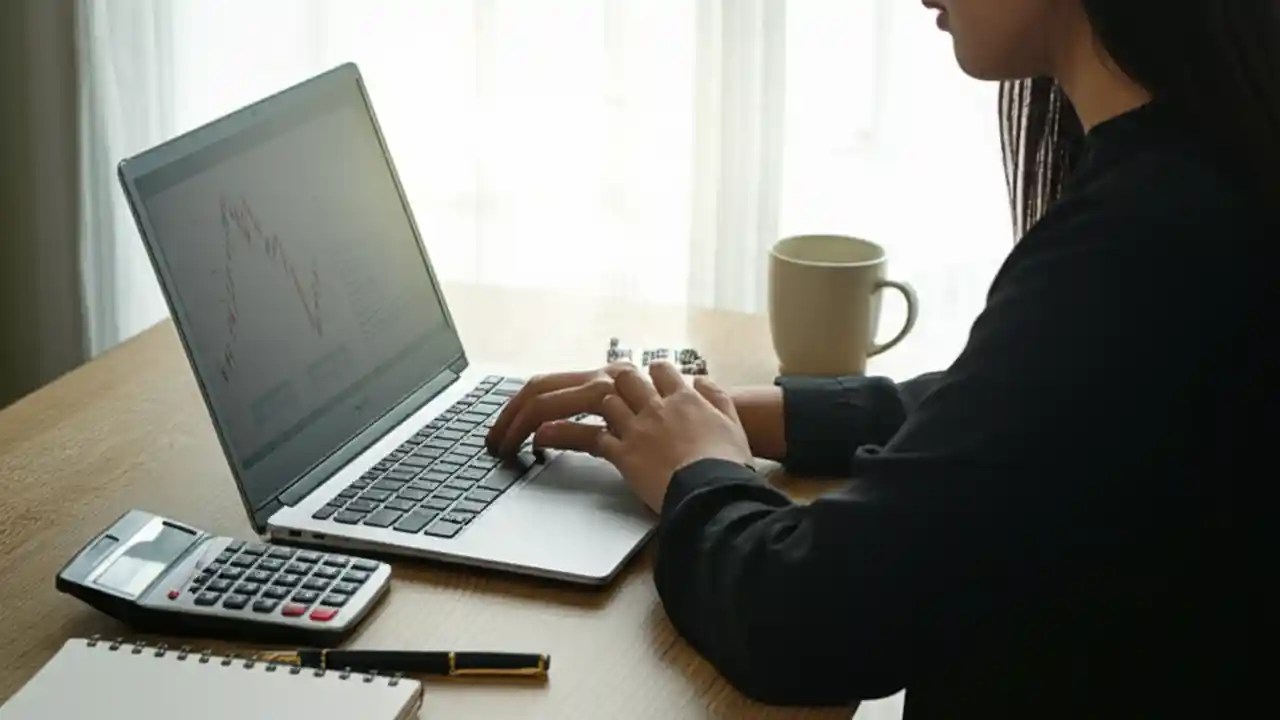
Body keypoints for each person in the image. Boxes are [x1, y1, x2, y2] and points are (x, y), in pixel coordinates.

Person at [486, 1, 1275, 717]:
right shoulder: (1210, 173)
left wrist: (698, 471)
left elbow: (811, 623)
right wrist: (763, 413)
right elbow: (1046, 412)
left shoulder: (1140, 242)